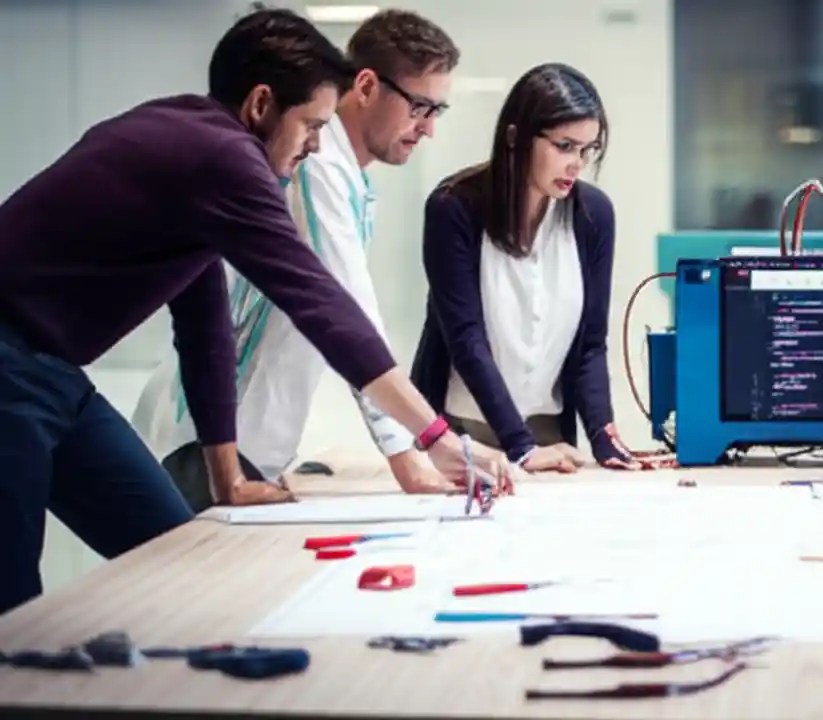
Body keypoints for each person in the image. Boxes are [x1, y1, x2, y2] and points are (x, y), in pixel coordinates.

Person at [0, 7, 509, 617]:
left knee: (178, 553)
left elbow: (203, 320)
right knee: (13, 611)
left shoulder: (196, 151)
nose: (318, 144)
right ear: (261, 104)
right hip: (8, 368)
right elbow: (321, 303)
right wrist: (433, 437)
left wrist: (227, 479)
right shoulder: (225, 157)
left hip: (52, 373)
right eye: (312, 125)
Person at [132, 9, 468, 512]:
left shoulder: (346, 174)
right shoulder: (317, 164)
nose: (427, 129)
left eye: (437, 112)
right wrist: (411, 448)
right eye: (420, 106)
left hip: (244, 440)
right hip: (207, 441)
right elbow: (348, 314)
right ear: (368, 85)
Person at [409, 63, 639, 473]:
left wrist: (606, 442)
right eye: (565, 146)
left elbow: (590, 344)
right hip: (461, 434)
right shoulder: (453, 208)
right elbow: (465, 340)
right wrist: (519, 448)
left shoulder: (592, 215)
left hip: (547, 433)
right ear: (515, 137)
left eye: (588, 150)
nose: (577, 164)